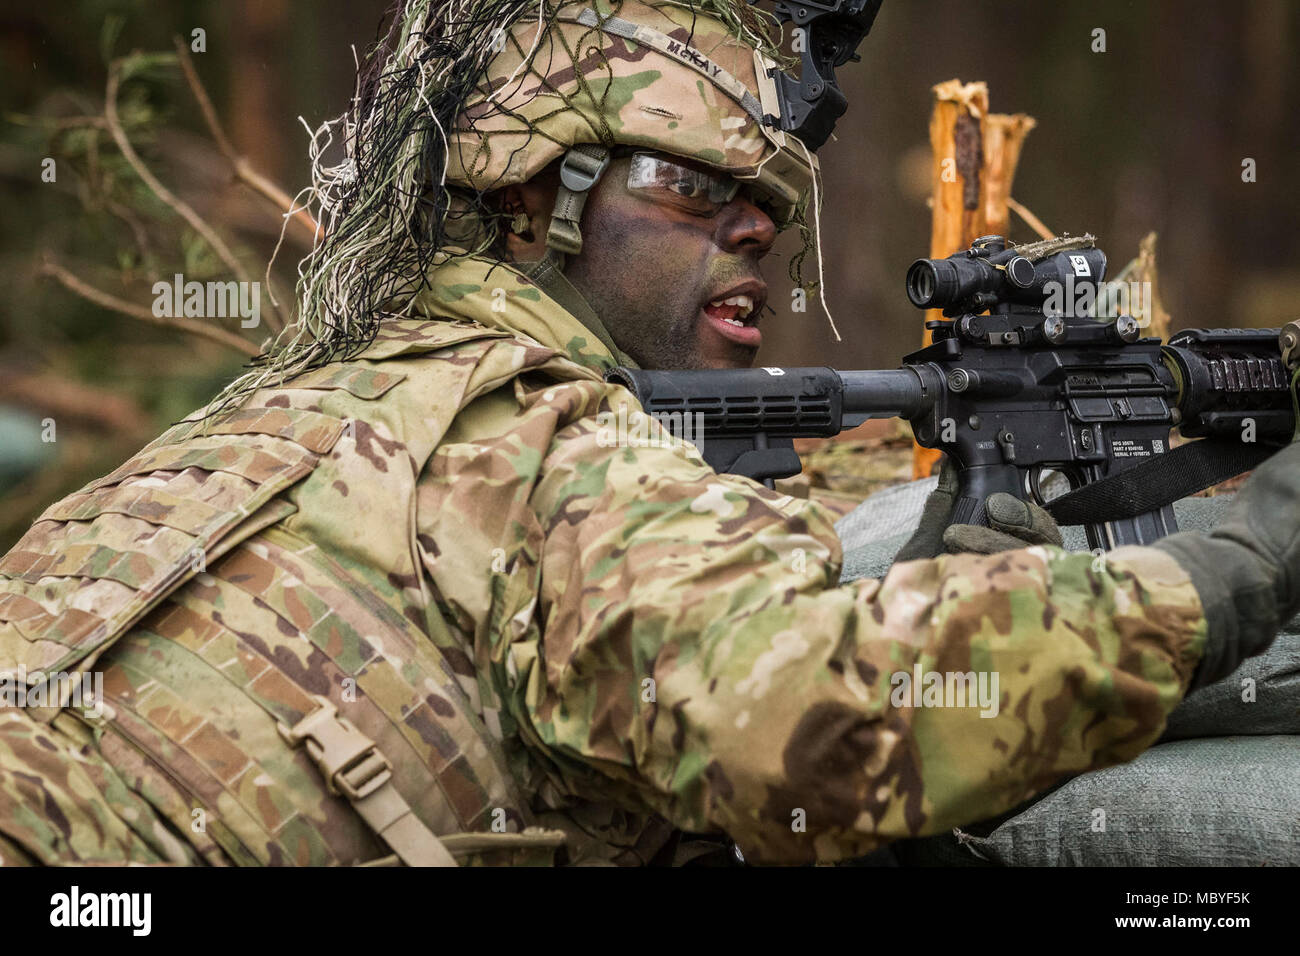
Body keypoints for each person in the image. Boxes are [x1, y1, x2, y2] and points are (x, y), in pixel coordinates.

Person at [0, 0, 1296, 867]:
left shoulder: (291, 409)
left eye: (767, 209)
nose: (751, 231)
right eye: (687, 186)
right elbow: (808, 726)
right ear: (529, 209)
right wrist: (1236, 566)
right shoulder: (533, 436)